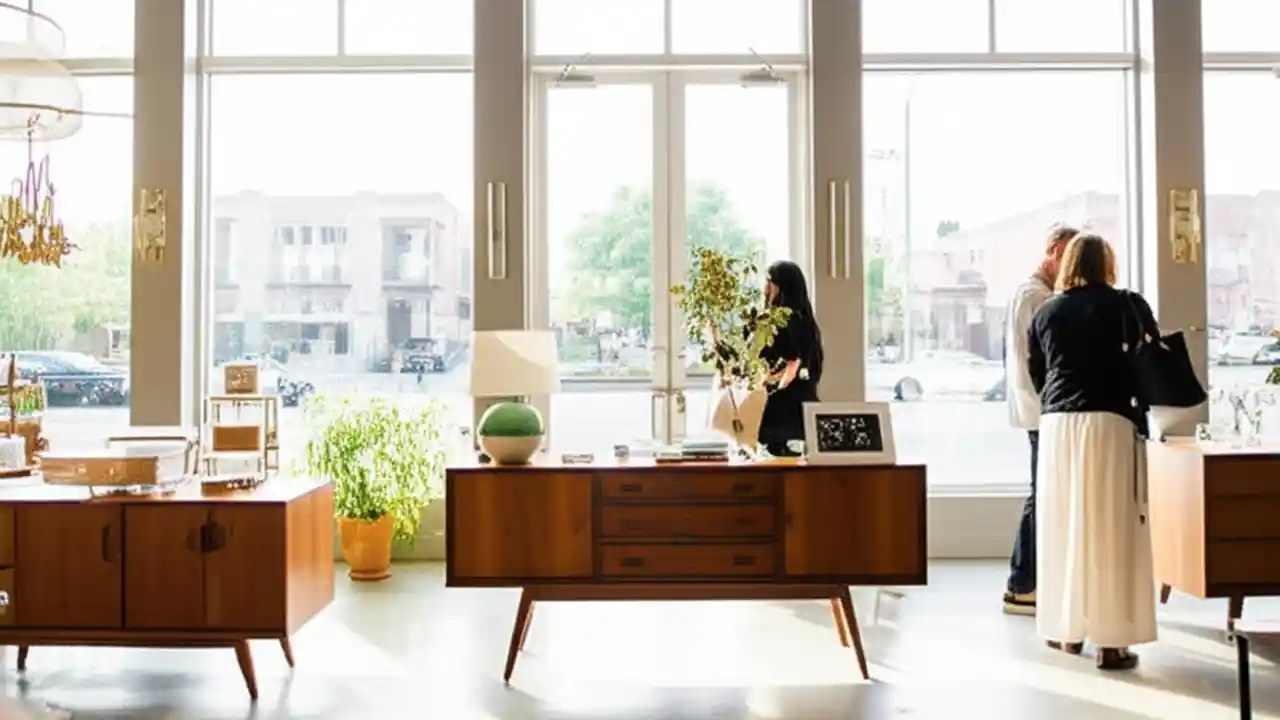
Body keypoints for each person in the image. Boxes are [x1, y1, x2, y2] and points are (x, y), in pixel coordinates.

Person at [1029, 233, 1158, 671]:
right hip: (1110, 421)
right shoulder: (1126, 304)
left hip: (1058, 425)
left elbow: (1037, 371)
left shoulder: (1047, 310)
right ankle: (1112, 642)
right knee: (1112, 529)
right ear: (1108, 263)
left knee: (1065, 525)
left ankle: (1066, 630)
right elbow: (1150, 358)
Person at [1002, 225, 1077, 616]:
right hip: (1042, 410)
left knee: (1041, 492)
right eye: (1066, 257)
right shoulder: (1038, 297)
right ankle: (1022, 583)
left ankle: (1026, 581)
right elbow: (1044, 360)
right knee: (1041, 494)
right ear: (1053, 251)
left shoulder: (1027, 292)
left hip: (1037, 408)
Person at [758, 260, 824, 457]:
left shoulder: (779, 323)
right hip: (803, 409)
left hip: (778, 413)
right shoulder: (808, 323)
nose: (766, 288)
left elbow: (781, 364)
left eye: (770, 282)